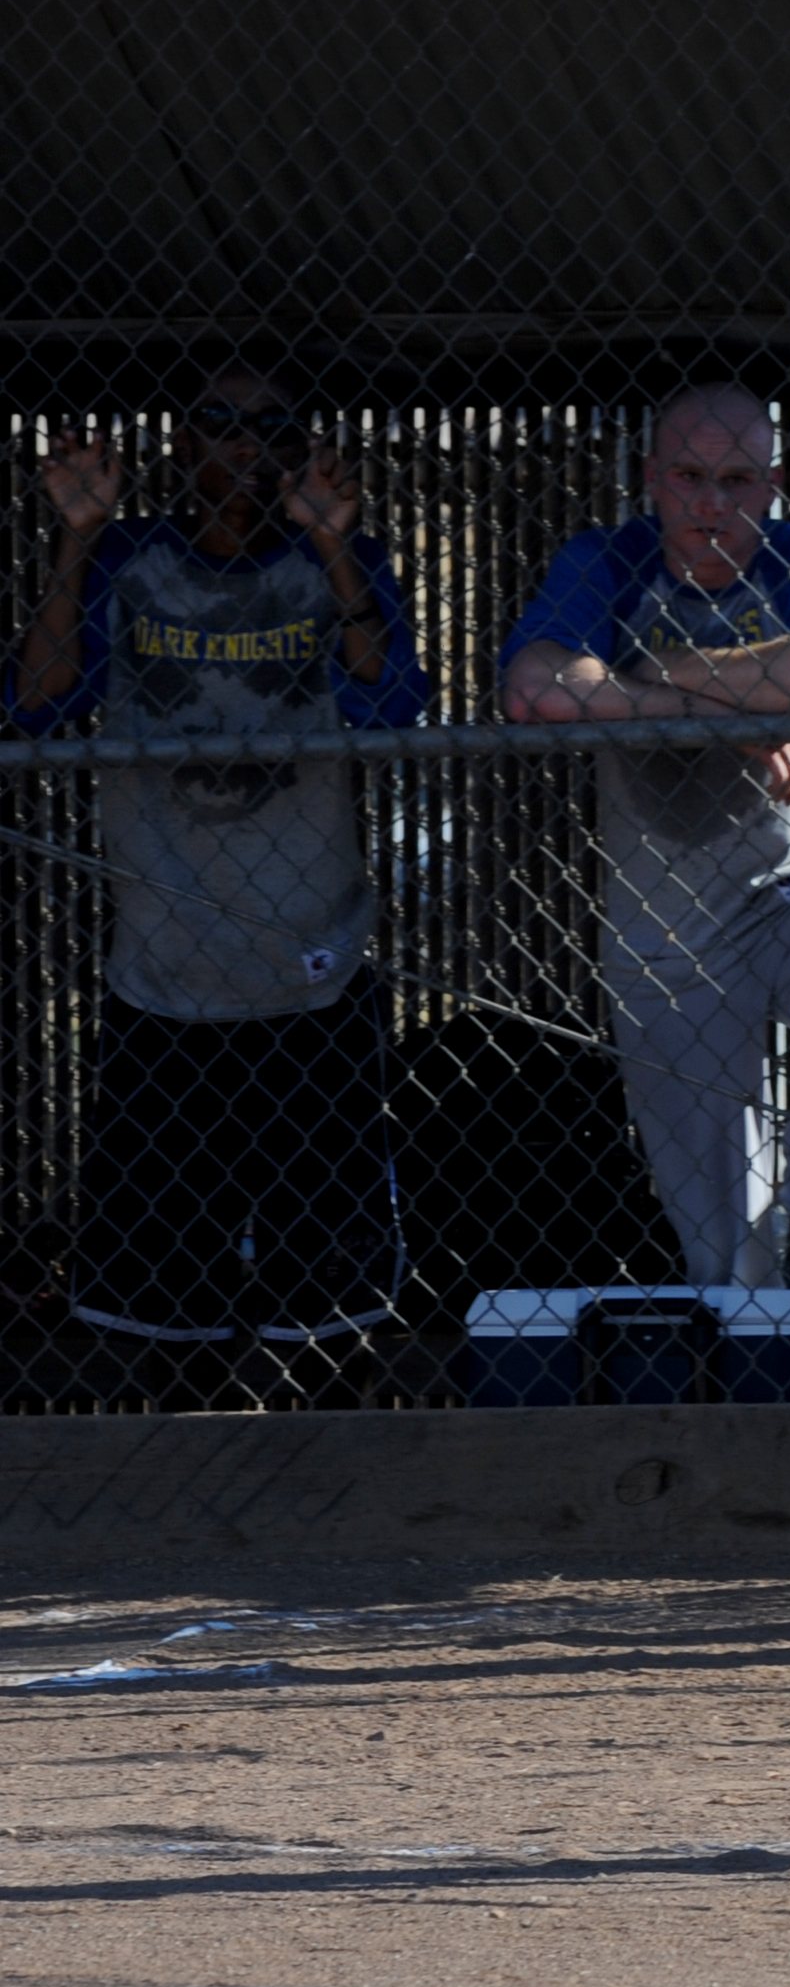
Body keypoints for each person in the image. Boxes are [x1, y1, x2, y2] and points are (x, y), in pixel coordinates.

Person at [6, 365, 428, 1368]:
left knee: (324, 1318)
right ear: (179, 445)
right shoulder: (130, 561)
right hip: (164, 974)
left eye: (272, 427)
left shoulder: (340, 562)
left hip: (309, 971)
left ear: (301, 447)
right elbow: (37, 705)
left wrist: (330, 543)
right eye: (220, 425)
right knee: (154, 1313)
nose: (246, 445)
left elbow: (393, 703)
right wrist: (77, 539)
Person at [498, 382, 790, 1291]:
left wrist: (655, 674)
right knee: (723, 1244)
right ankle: (764, 1383)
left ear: (773, 484)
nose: (712, 503)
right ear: (651, 477)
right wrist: (739, 707)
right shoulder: (607, 561)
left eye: (737, 479)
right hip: (667, 919)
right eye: (689, 476)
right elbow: (534, 688)